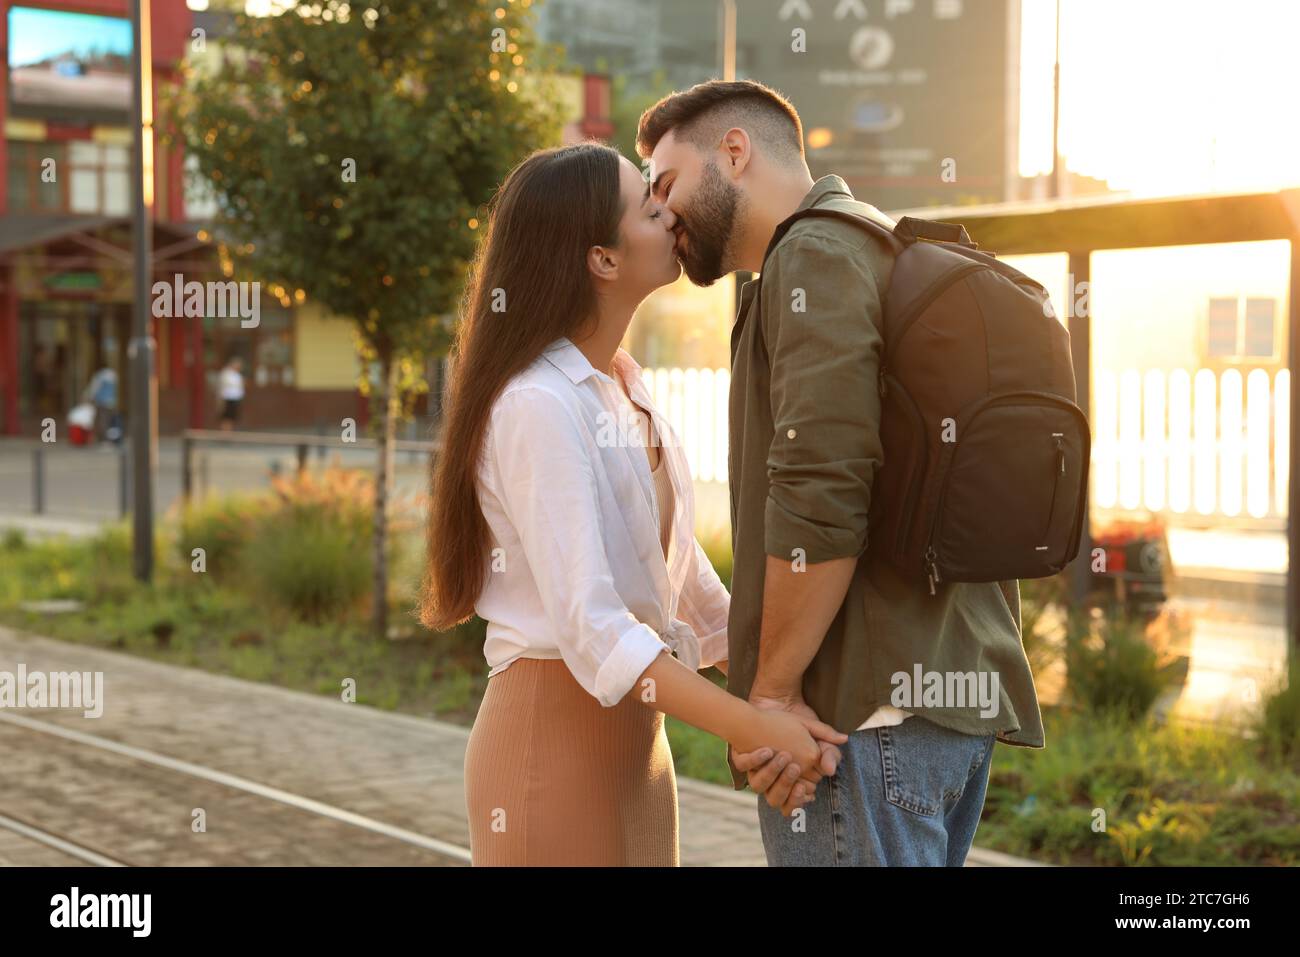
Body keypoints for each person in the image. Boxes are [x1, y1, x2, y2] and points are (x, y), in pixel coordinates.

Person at [637, 79, 1044, 866]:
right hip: (937, 702)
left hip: (854, 722)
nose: (662, 212)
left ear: (734, 150)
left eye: (666, 182)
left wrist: (772, 696)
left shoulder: (813, 257)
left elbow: (820, 492)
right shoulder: (875, 244)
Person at [420, 142, 848, 866]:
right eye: (650, 208)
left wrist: (776, 699)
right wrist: (749, 723)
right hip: (549, 751)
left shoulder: (623, 385)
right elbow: (593, 628)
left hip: (641, 756)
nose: (673, 214)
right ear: (603, 259)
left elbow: (690, 592)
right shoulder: (538, 403)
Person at [82, 364, 118, 445]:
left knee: (103, 421)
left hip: (102, 401)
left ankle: (105, 440)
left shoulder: (99, 376)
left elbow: (94, 388)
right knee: (110, 421)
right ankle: (112, 439)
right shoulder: (113, 374)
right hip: (112, 401)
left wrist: (87, 396)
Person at [218, 357, 245, 430]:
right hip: (227, 398)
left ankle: (230, 431)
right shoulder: (226, 373)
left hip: (236, 398)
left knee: (233, 416)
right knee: (226, 416)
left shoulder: (238, 375)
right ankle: (225, 432)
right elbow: (222, 385)